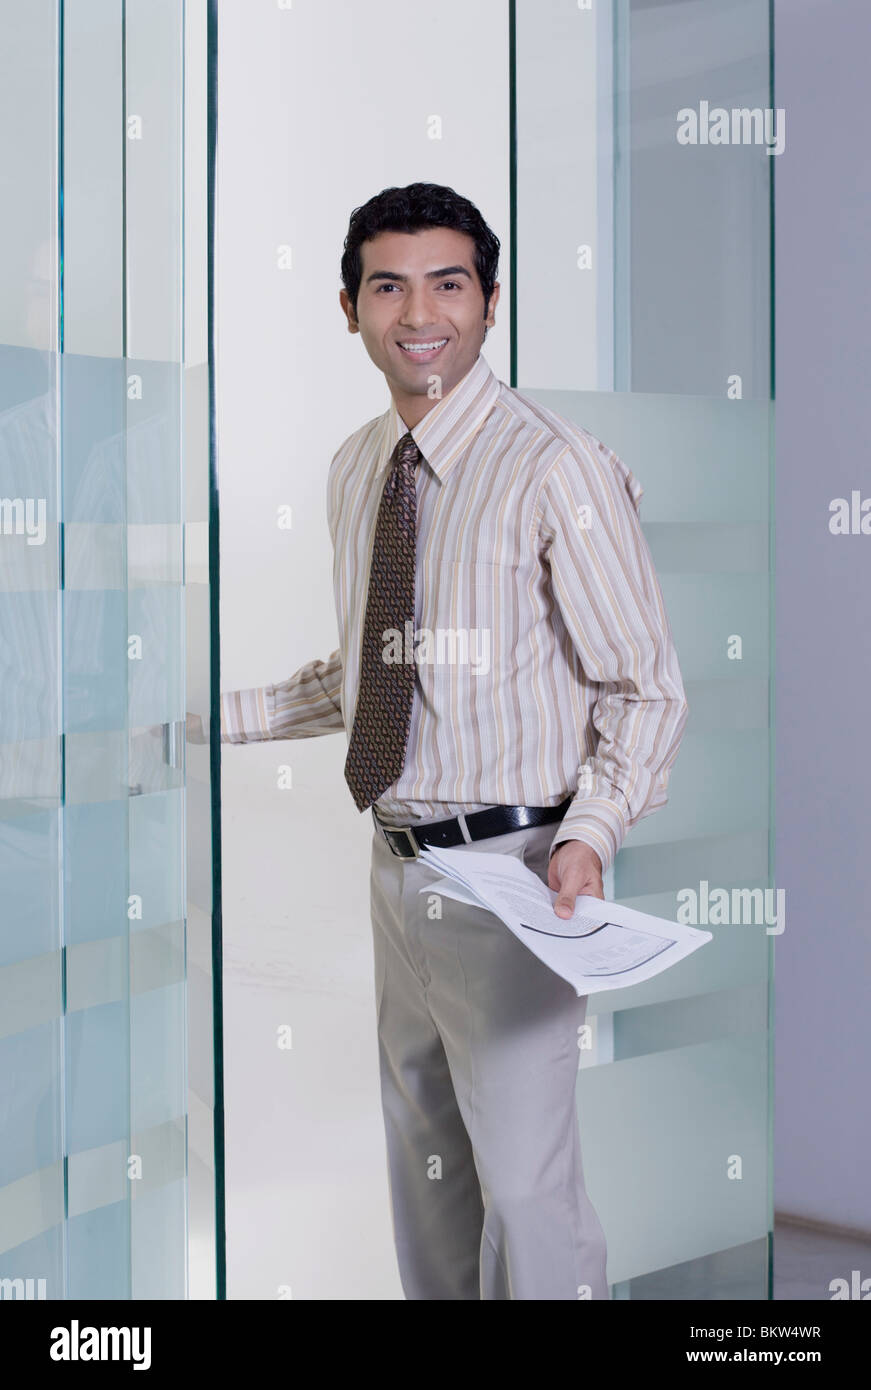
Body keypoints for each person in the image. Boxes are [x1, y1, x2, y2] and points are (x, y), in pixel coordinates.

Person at [210, 182, 689, 1300]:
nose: (419, 311)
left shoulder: (552, 467)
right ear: (349, 308)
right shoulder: (355, 467)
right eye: (389, 284)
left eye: (448, 282)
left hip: (518, 878)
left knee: (526, 1192)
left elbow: (646, 687)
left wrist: (595, 832)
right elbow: (369, 677)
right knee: (426, 1179)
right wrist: (200, 721)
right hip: (396, 867)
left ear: (490, 302)